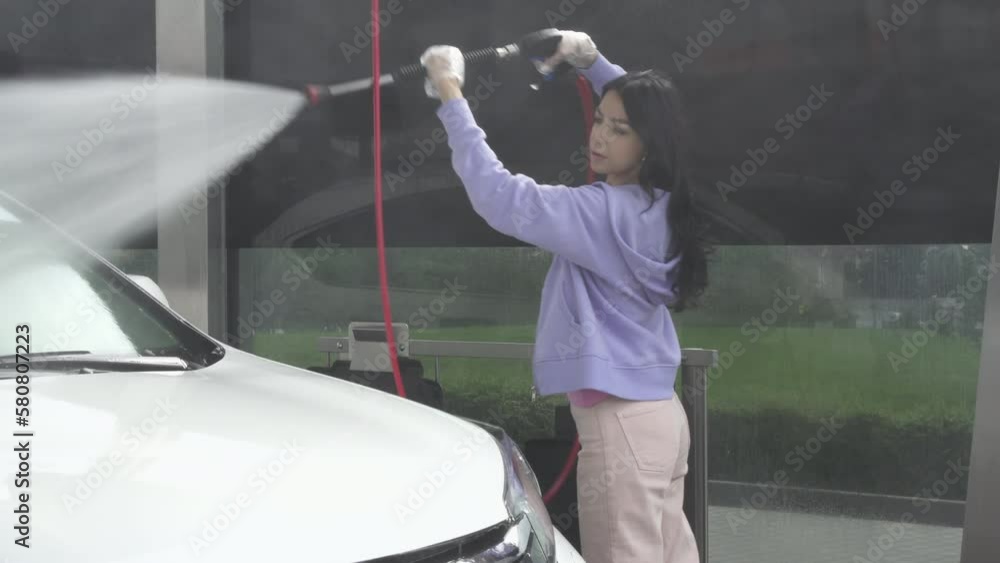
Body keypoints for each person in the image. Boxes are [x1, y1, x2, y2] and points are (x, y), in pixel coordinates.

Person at [422, 29, 709, 563]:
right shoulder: (662, 206)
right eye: (601, 119)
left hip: (621, 424)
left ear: (648, 145)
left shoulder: (599, 213)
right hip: (662, 417)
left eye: (619, 130)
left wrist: (450, 91)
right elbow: (649, 109)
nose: (600, 135)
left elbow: (499, 196)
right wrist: (594, 62)